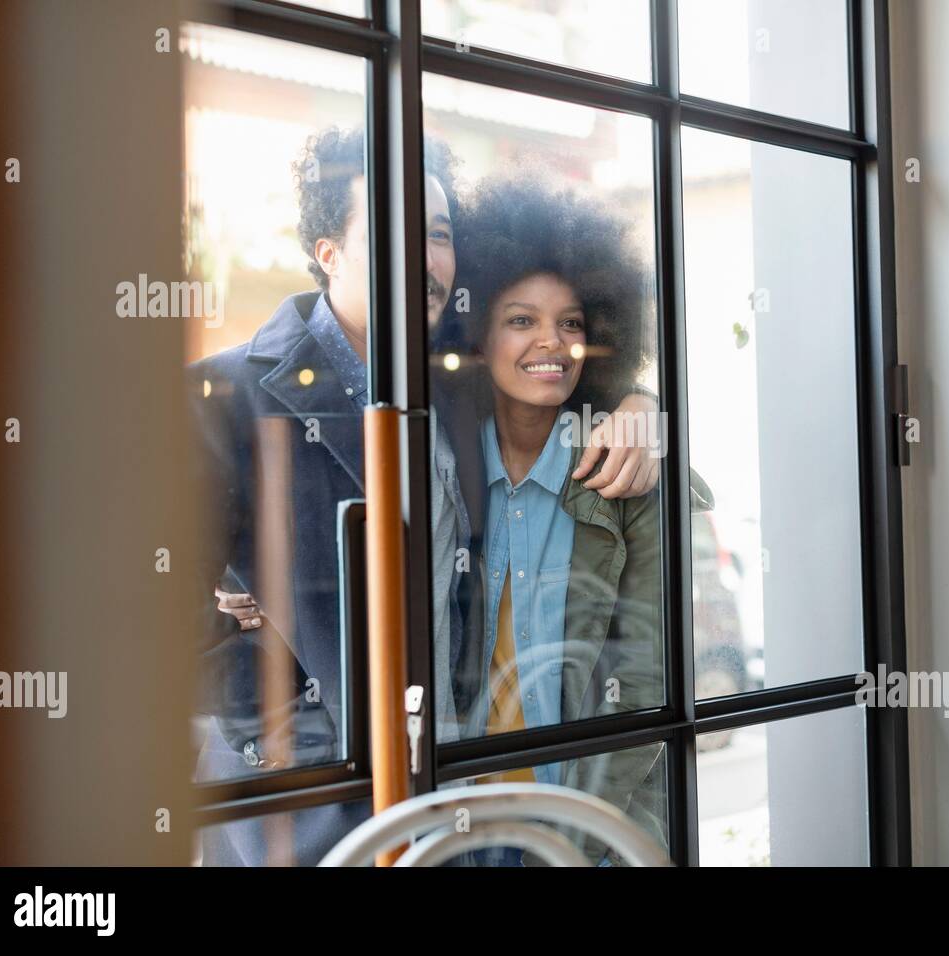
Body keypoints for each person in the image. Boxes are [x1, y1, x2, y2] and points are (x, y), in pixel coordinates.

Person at [189, 127, 667, 865]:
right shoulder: (225, 395)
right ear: (328, 253)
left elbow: (556, 361)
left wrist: (640, 403)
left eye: (438, 234)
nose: (425, 256)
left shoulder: (457, 381)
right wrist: (297, 727)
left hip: (452, 803)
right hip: (311, 813)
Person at [452, 174, 713, 864]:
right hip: (454, 833)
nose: (553, 342)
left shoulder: (636, 477)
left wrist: (573, 839)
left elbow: (646, 683)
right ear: (477, 335)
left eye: (571, 321)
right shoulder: (441, 465)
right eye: (521, 319)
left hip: (590, 836)